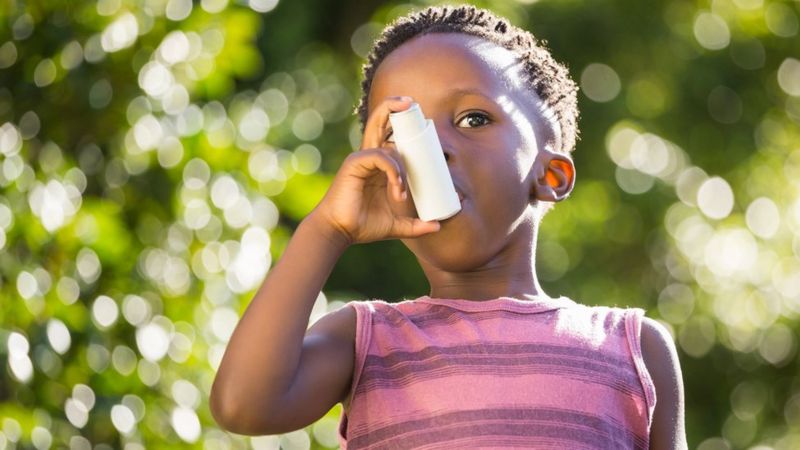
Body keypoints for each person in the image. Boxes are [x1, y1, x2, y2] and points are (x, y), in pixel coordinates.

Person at [210, 5, 687, 449]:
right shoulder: (365, 341)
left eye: (473, 119)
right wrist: (328, 228)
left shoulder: (633, 348)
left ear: (551, 175)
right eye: (402, 132)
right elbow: (242, 405)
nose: (432, 148)